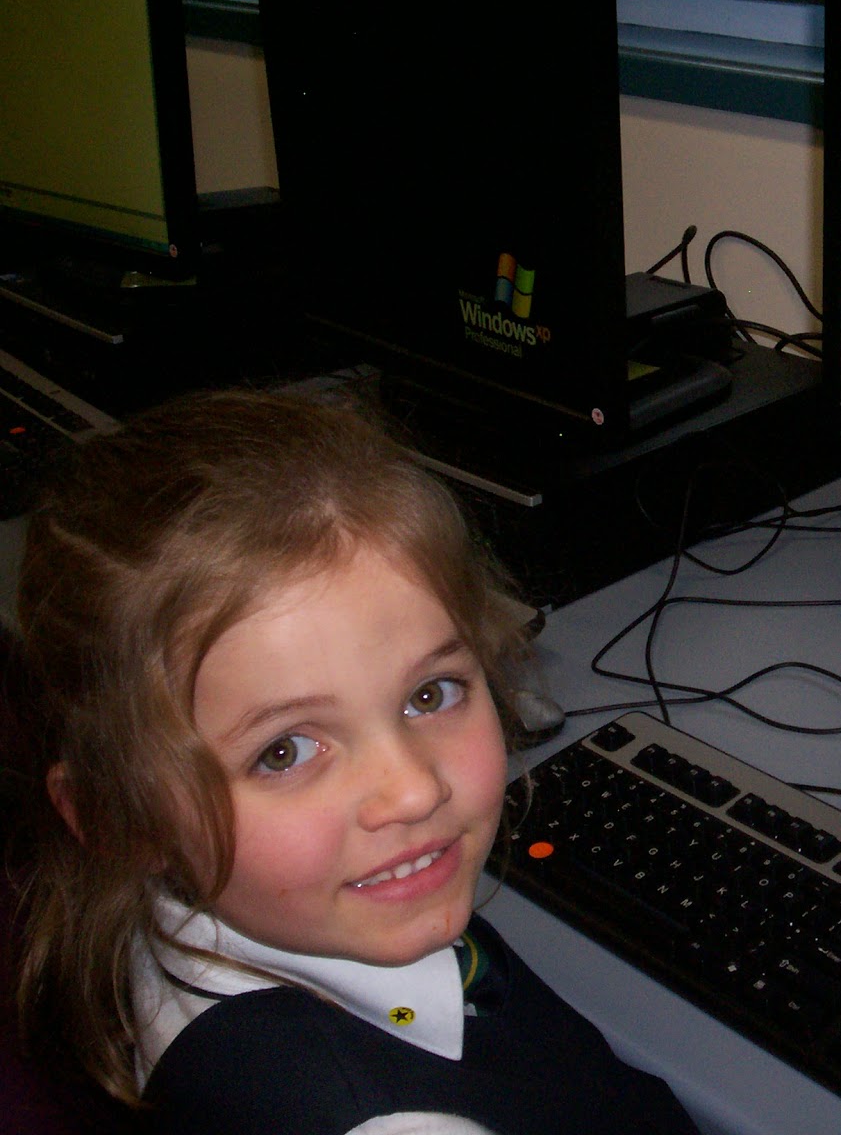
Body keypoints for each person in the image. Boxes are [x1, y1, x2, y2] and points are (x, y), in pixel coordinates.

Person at [6, 388, 700, 1135]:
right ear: (120, 819)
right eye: (284, 751)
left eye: (430, 694)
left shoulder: (245, 906)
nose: (413, 790)